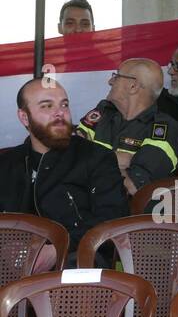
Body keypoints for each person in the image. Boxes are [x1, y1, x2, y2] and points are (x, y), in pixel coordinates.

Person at [0, 79, 127, 266]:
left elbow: (112, 220)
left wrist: (58, 249)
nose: (60, 112)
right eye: (47, 106)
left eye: (64, 105)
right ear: (24, 117)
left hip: (77, 267)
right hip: (12, 267)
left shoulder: (96, 157)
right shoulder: (6, 163)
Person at [75, 59, 178, 196]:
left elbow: (133, 186)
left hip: (131, 216)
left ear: (133, 86)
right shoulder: (103, 112)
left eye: (116, 76)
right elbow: (69, 157)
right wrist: (126, 160)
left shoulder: (165, 129)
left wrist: (89, 157)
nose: (110, 81)